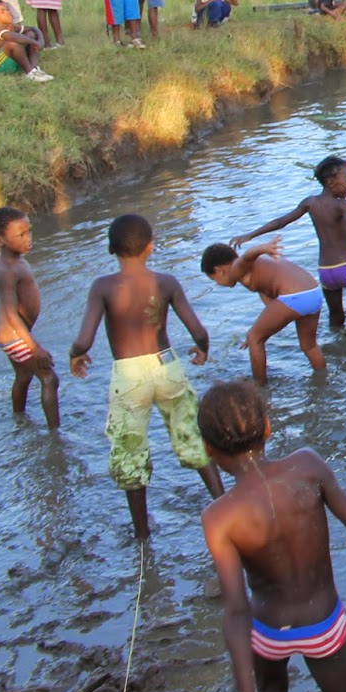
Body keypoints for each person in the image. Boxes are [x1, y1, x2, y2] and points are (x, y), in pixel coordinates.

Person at [198, 380, 346, 692]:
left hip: (268, 629)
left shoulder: (218, 517)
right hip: (322, 622)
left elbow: (236, 611)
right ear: (267, 427)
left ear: (208, 449)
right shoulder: (307, 465)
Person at [67, 214, 225, 538]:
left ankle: (142, 534)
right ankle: (225, 505)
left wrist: (76, 354)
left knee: (130, 450)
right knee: (191, 437)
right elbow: (198, 330)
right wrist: (202, 350)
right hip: (167, 366)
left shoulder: (103, 287)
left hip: (129, 375)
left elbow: (85, 339)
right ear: (150, 248)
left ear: (111, 249)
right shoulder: (166, 282)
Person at [229, 155, 346, 332]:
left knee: (336, 317)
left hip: (326, 272)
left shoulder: (310, 203)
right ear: (331, 182)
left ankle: (337, 348)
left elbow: (281, 221)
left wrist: (251, 234)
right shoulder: (341, 204)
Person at [200, 238, 327, 384]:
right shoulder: (256, 271)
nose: (217, 283)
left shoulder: (236, 267)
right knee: (309, 345)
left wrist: (263, 248)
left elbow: (248, 255)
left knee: (254, 337)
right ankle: (323, 379)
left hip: (295, 296)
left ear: (218, 271)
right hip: (313, 293)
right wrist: (261, 330)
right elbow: (269, 301)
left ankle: (260, 387)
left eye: (213, 279)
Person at [0, 206, 59, 428]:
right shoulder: (8, 269)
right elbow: (10, 313)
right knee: (49, 379)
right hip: (14, 333)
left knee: (24, 375)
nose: (29, 239)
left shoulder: (11, 259)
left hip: (11, 333)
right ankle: (55, 436)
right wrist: (35, 347)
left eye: (29, 231)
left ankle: (18, 419)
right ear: (0, 240)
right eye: (21, 235)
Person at [0, 0, 52, 81]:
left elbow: (33, 29)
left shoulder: (9, 25)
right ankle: (29, 72)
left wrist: (41, 41)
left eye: (8, 9)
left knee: (30, 34)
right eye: (2, 11)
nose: (8, 13)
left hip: (6, 60)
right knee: (13, 44)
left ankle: (34, 69)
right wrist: (36, 43)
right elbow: (15, 38)